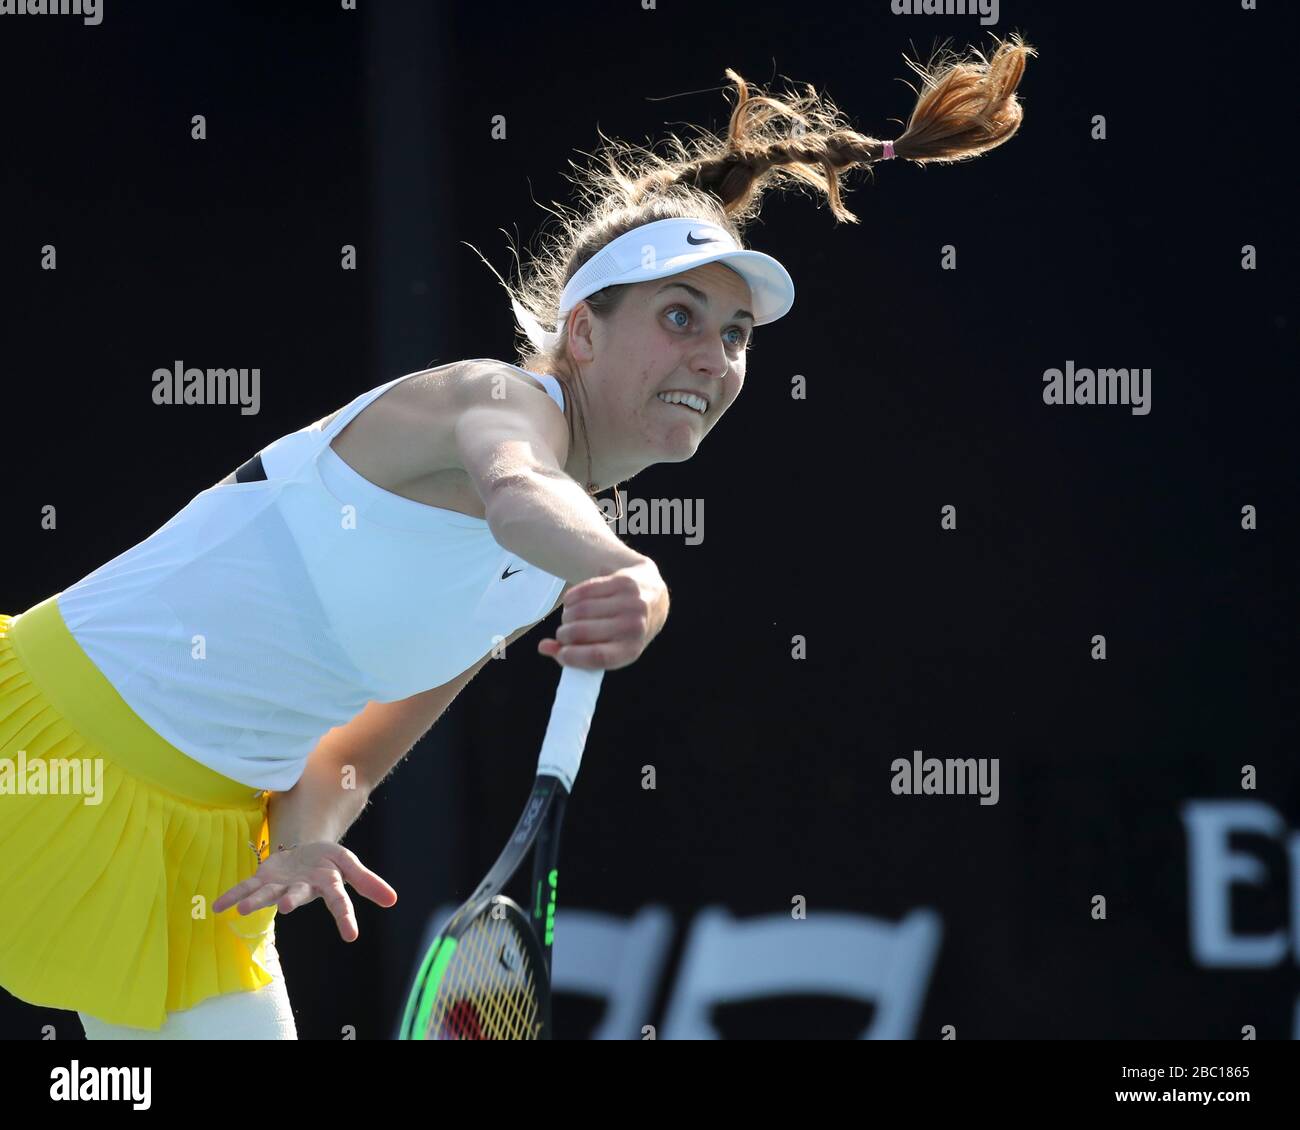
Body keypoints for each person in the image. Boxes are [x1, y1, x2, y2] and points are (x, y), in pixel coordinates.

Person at [0, 39, 1031, 1039]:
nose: (712, 356)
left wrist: (307, 840)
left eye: (734, 334)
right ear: (582, 331)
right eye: (679, 316)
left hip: (201, 850)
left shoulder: (545, 566)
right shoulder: (491, 403)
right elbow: (516, 487)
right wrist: (633, 572)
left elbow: (356, 749)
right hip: (30, 738)